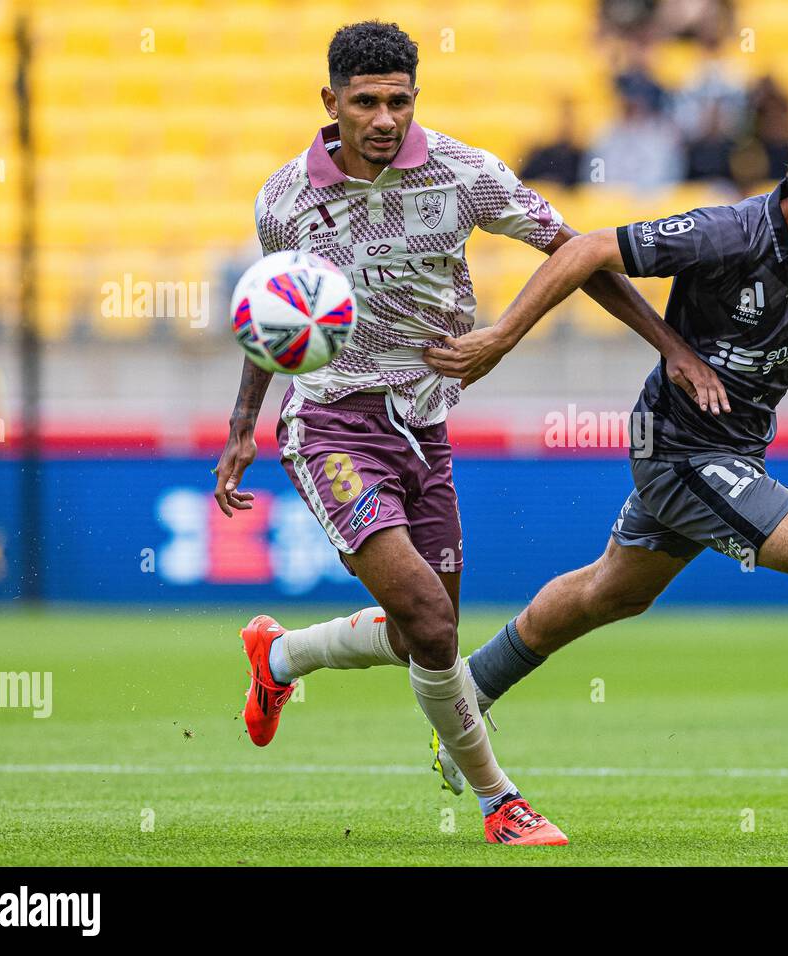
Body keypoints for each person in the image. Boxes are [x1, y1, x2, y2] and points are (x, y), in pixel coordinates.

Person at [210, 20, 726, 845]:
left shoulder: (463, 173)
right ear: (331, 102)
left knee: (428, 632)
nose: (385, 119)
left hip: (425, 424)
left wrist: (673, 350)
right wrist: (244, 424)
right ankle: (500, 801)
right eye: (367, 102)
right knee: (434, 623)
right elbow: (278, 314)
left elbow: (578, 252)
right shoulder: (285, 200)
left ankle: (280, 660)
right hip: (329, 422)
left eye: (400, 102)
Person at [425, 92, 788, 804]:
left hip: (732, 453)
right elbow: (590, 248)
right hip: (676, 447)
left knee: (610, 593)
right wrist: (503, 337)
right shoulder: (729, 232)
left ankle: (467, 696)